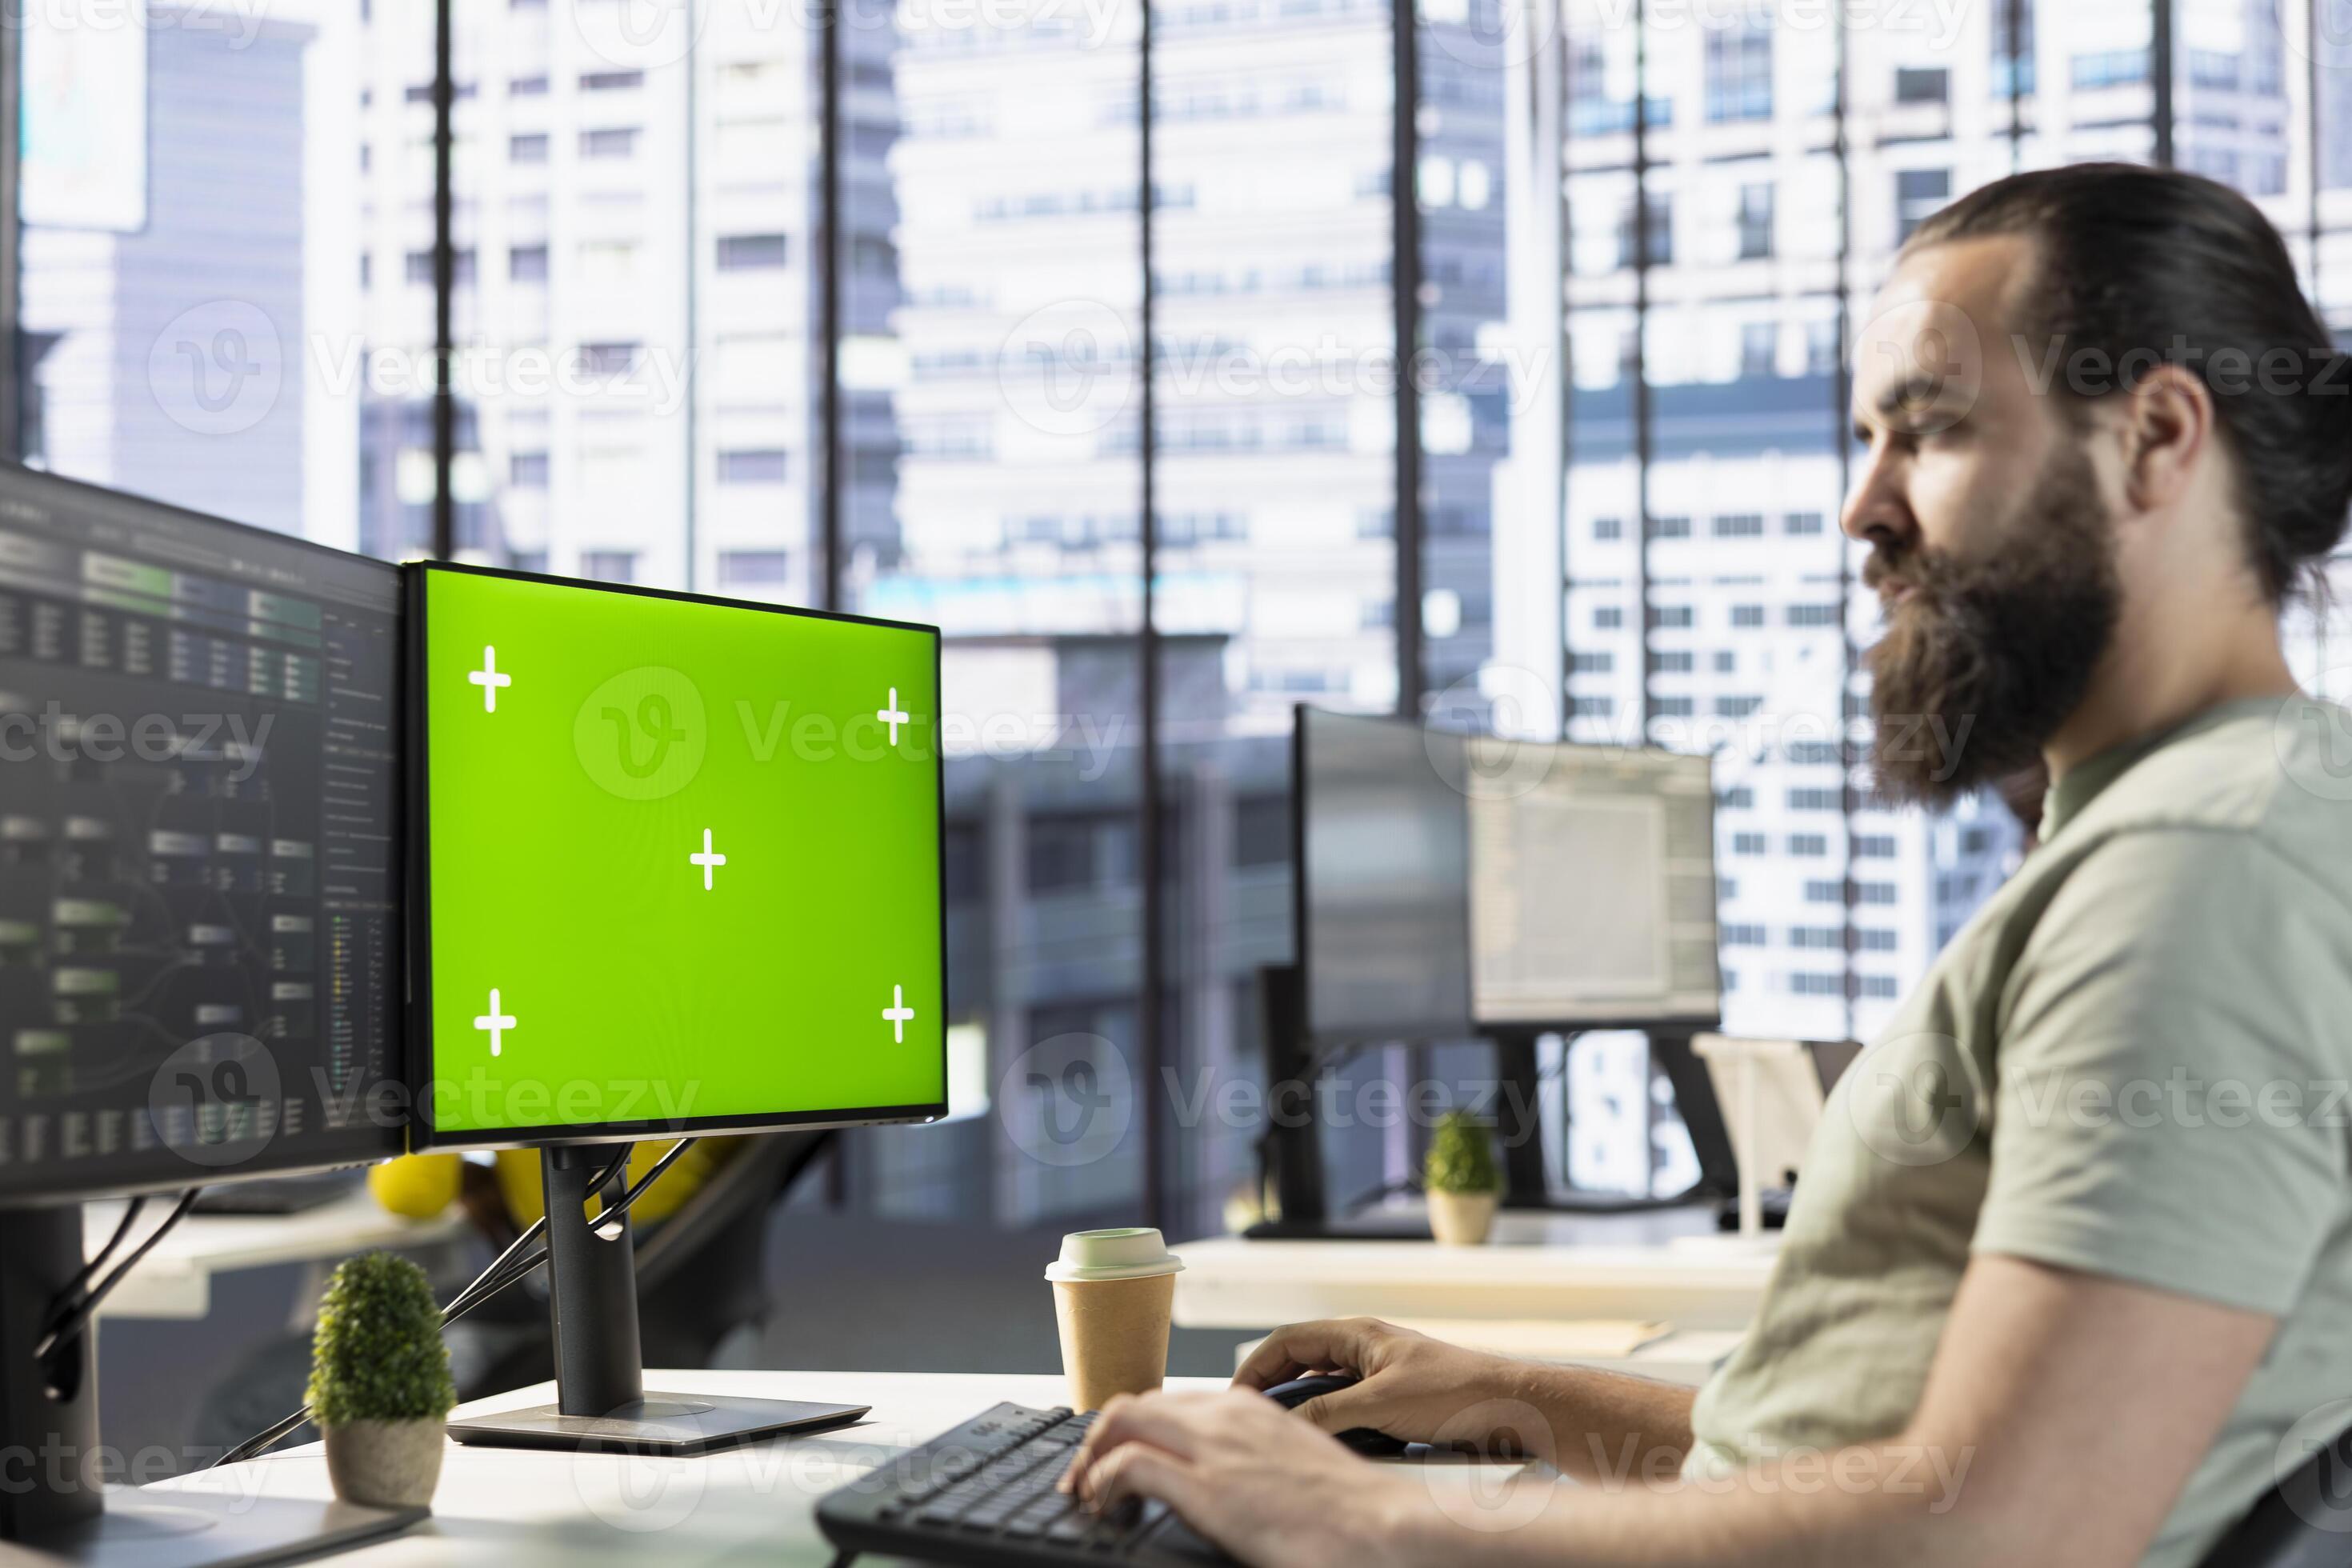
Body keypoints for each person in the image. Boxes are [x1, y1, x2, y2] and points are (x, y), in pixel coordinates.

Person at [1062, 163, 2352, 1566]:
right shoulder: (2193, 818)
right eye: (1865, 439)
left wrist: (1363, 1517)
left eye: (1926, 432)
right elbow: (1859, 1461)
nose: (1863, 509)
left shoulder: (2199, 861)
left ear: (2156, 437)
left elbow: (2002, 1529)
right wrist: (1507, 1394)